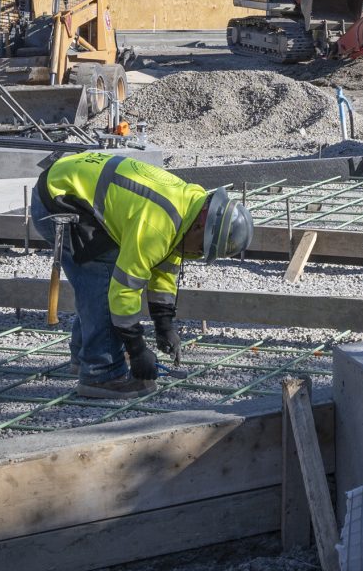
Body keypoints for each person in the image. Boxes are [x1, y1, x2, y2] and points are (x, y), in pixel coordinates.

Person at [30, 150, 254, 395]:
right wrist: (137, 349)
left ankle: (86, 355)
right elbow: (123, 290)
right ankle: (100, 374)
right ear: (203, 223)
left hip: (71, 184)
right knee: (104, 277)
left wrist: (164, 323)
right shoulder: (157, 224)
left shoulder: (189, 205)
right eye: (203, 247)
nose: (200, 253)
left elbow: (165, 266)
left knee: (102, 276)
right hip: (57, 199)